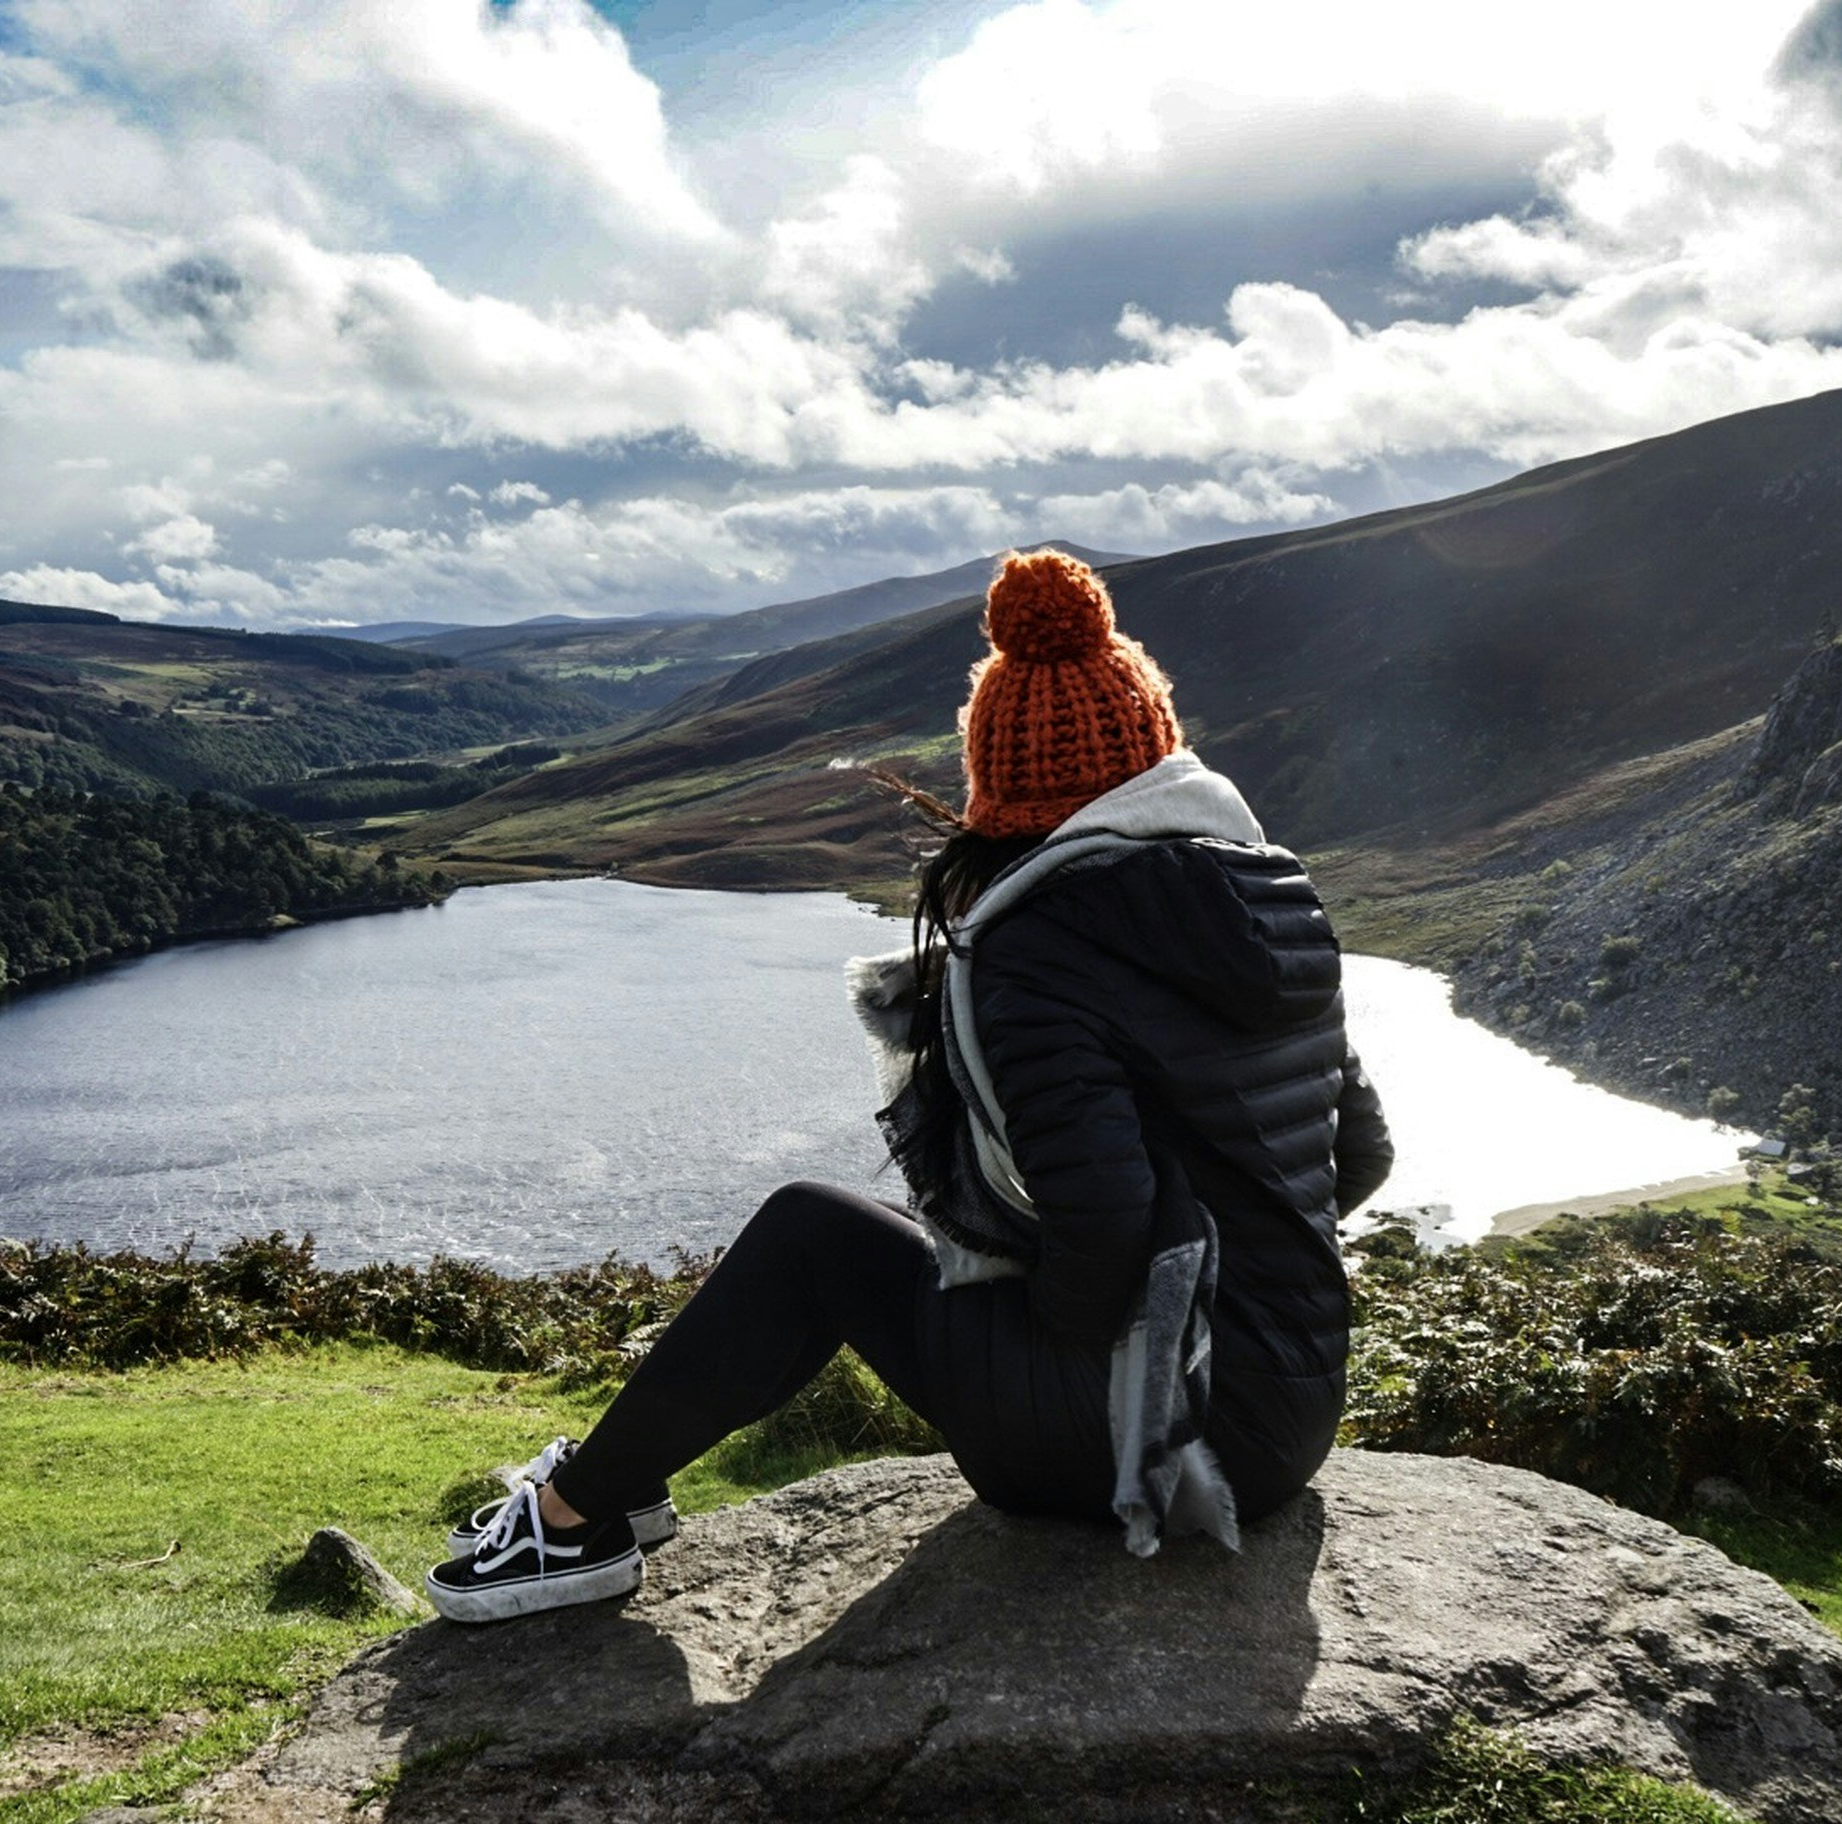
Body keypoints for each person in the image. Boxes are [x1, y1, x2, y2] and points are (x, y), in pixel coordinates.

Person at [425, 548, 1394, 1623]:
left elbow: (1108, 1226)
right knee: (863, 1239)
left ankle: (573, 1518)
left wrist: (1050, 1309)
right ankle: (622, 1479)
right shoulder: (1275, 896)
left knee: (812, 1235)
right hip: (1293, 1415)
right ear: (1155, 748)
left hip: (1151, 1439)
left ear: (1003, 780)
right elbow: (1358, 1157)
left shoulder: (1039, 942)